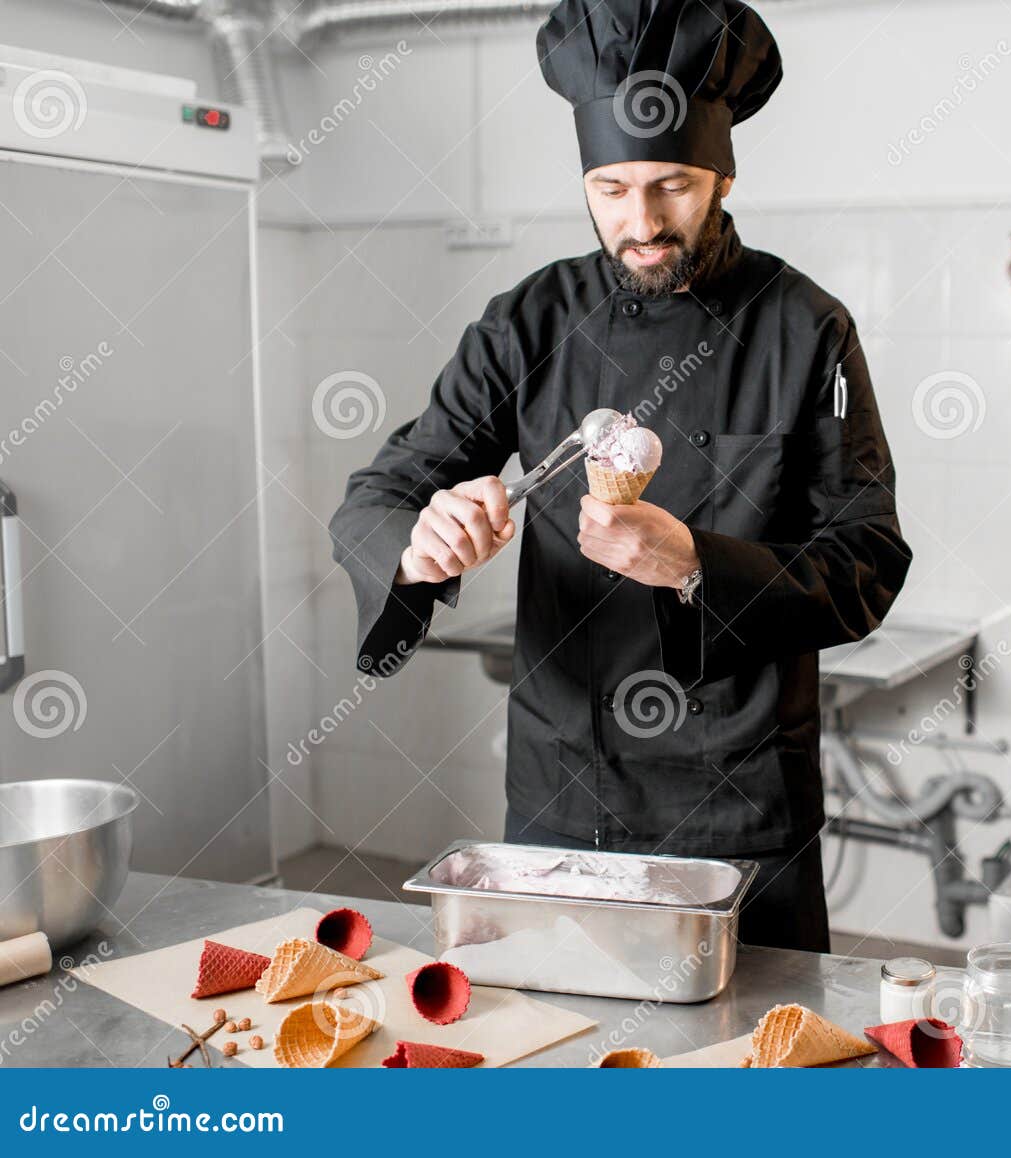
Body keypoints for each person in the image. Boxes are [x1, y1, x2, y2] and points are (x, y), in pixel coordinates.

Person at [329, 0, 910, 953]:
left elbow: (867, 561)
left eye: (672, 186)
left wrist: (692, 565)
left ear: (723, 172)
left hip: (741, 813)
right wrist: (418, 542)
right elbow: (382, 493)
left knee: (748, 1076)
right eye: (609, 188)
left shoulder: (807, 328)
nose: (639, 223)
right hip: (565, 798)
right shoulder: (530, 322)